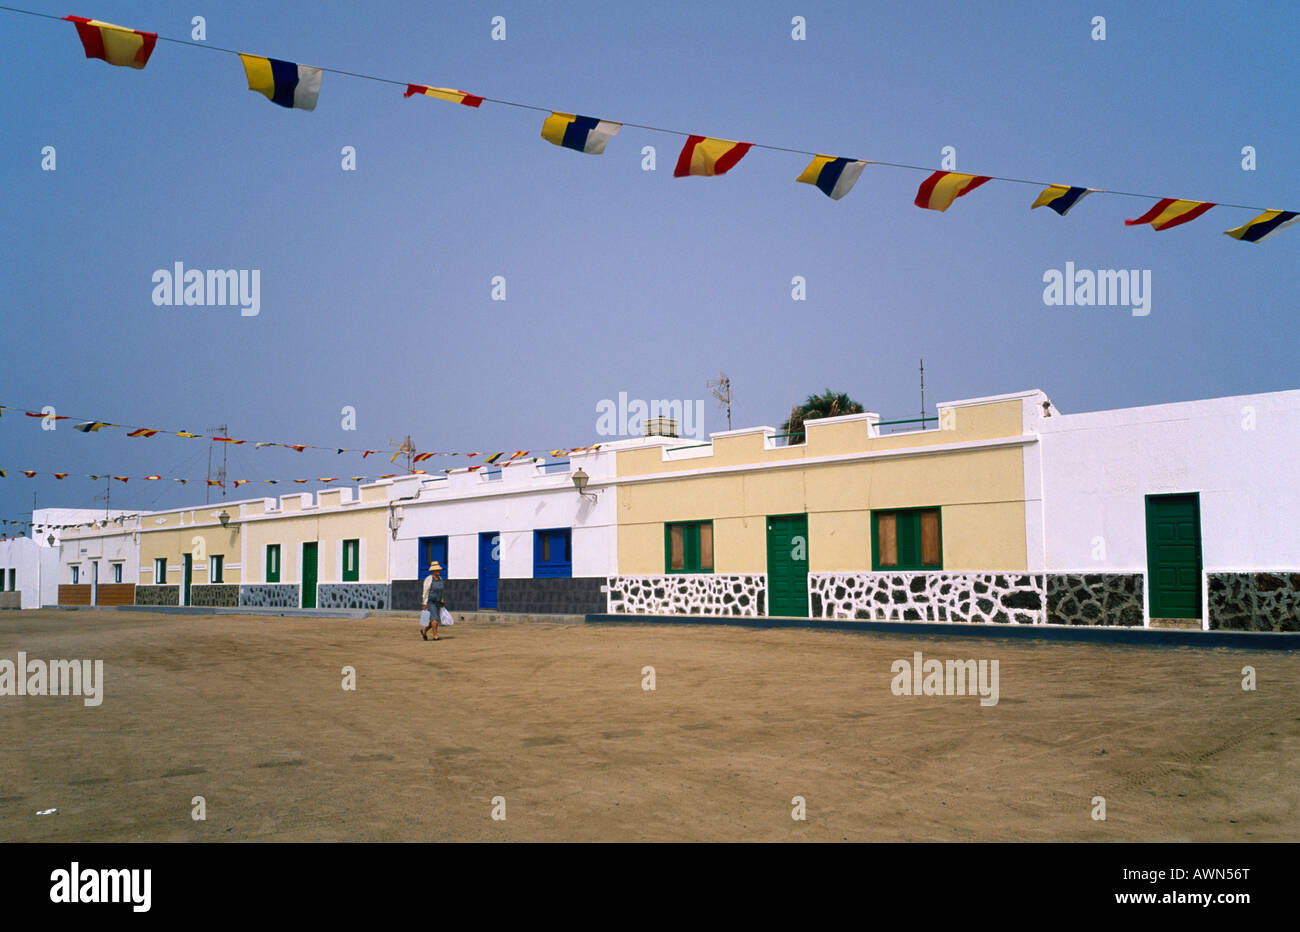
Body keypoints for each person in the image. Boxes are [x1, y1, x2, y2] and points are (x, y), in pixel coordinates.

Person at [420, 561, 445, 641]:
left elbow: (441, 591)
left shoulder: (440, 579)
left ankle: (424, 630)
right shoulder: (428, 579)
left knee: (435, 619)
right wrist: (424, 603)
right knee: (435, 619)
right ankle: (435, 635)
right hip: (430, 602)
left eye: (439, 570)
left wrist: (442, 601)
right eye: (437, 570)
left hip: (438, 602)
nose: (438, 571)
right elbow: (425, 592)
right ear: (433, 571)